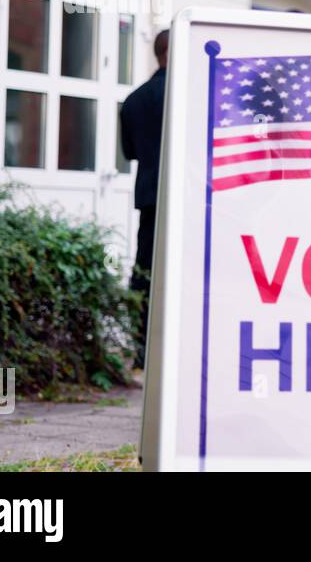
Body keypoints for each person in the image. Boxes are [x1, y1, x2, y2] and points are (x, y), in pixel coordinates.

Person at [119, 29, 169, 369]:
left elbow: (130, 151)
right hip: (183, 197)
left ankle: (141, 350)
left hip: (149, 196)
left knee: (145, 273)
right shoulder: (189, 95)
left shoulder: (134, 99)